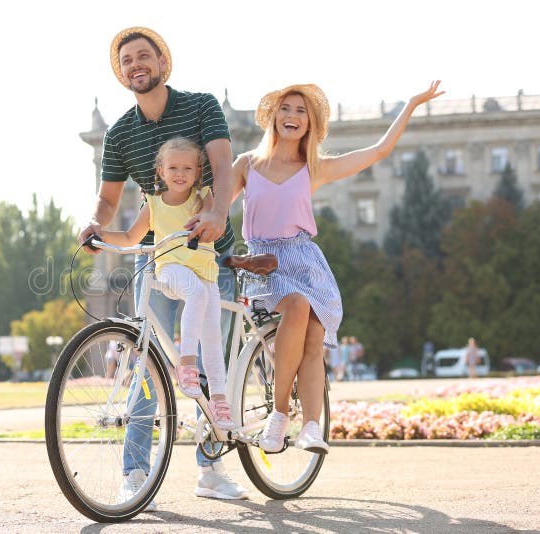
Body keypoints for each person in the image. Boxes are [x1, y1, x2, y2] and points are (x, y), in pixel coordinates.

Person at [77, 27, 246, 507]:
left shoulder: (201, 106)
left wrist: (217, 213)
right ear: (121, 72)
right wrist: (95, 225)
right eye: (127, 60)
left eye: (143, 56)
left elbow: (224, 166)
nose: (136, 65)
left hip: (210, 256)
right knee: (144, 364)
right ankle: (136, 474)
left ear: (161, 62)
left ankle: (211, 470)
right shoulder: (119, 133)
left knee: (208, 363)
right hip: (160, 259)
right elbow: (108, 199)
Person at [231, 81, 444, 454]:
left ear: (310, 123)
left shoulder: (314, 168)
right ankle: (279, 415)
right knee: (297, 306)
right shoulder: (247, 164)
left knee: (314, 338)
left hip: (305, 261)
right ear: (274, 117)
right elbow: (216, 205)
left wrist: (411, 104)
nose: (292, 116)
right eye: (286, 109)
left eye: (301, 111)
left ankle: (311, 428)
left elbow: (379, 151)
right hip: (264, 262)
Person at [99, 137, 235, 429]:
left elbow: (213, 217)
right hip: (171, 269)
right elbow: (130, 237)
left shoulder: (203, 196)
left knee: (213, 340)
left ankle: (219, 401)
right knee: (195, 294)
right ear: (160, 171)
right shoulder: (154, 204)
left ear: (197, 172)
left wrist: (209, 216)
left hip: (204, 270)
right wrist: (99, 235)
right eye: (173, 168)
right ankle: (186, 364)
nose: (180, 174)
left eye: (187, 168)